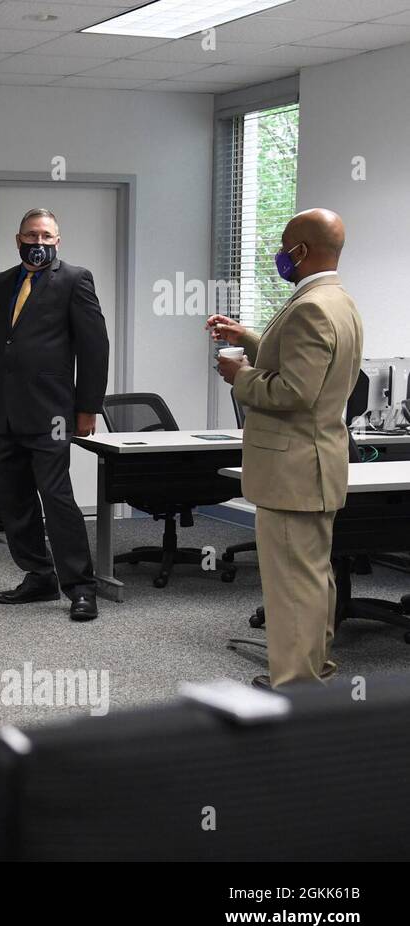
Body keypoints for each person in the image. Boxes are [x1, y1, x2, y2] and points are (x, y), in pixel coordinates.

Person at [209, 208, 363, 689]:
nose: (280, 254)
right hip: (317, 463)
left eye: (284, 245)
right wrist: (249, 339)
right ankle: (313, 669)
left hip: (293, 468)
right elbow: (303, 363)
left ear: (302, 250)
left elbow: (295, 393)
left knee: (291, 585)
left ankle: (294, 686)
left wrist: (241, 378)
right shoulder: (338, 301)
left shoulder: (311, 306)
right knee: (313, 576)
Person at [0, 208, 109, 622]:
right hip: (3, 414)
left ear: (58, 240)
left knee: (56, 498)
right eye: (31, 236)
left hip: (51, 412)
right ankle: (38, 575)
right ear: (18, 240)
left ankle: (81, 588)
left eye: (46, 236)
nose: (38, 243)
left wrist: (87, 407)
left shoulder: (74, 280)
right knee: (13, 500)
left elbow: (94, 347)